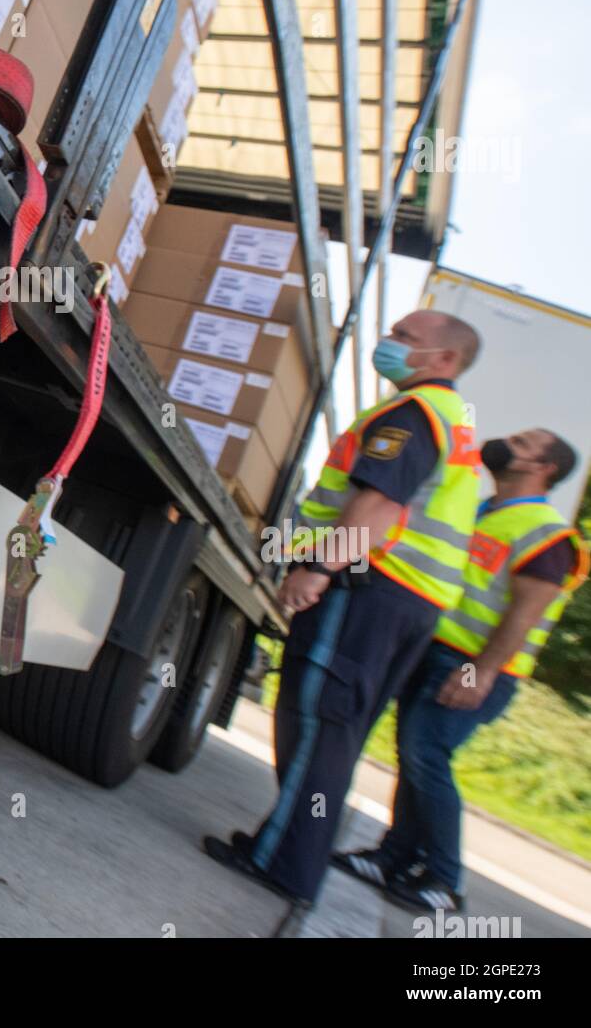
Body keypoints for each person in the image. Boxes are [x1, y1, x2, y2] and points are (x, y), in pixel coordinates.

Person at [203, 309, 483, 907]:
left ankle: (282, 862)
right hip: (405, 604)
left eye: (405, 338)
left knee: (316, 723)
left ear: (445, 360)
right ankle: (287, 855)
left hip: (367, 587)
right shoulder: (455, 422)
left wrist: (319, 569)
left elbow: (378, 506)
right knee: (334, 730)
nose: (389, 343)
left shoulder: (414, 413)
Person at [334, 427, 587, 912]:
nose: (509, 441)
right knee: (413, 754)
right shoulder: (481, 512)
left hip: (473, 666)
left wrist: (479, 673)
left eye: (524, 442)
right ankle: (393, 858)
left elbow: (524, 615)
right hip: (435, 652)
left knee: (427, 754)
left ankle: (446, 881)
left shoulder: (548, 536)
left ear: (544, 468)